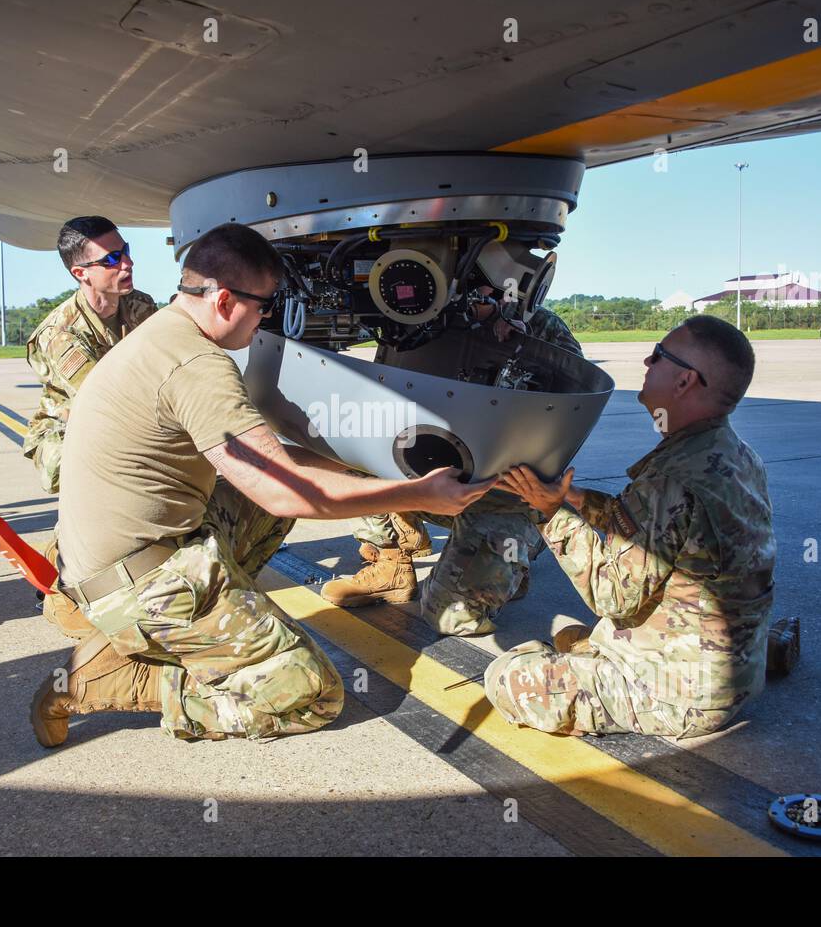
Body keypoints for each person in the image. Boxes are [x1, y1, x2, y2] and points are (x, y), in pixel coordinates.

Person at [31, 223, 494, 747]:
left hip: (132, 552)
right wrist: (418, 495)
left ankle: (208, 634)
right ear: (225, 300)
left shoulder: (164, 331)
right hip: (135, 578)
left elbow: (268, 465)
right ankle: (124, 679)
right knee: (312, 694)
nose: (266, 319)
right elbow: (289, 490)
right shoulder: (197, 364)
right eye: (264, 306)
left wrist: (368, 470)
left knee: (269, 506)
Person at [487, 314, 776, 739]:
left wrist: (550, 513)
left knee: (507, 675)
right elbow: (654, 527)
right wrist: (576, 499)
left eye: (658, 356)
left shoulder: (674, 477)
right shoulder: (730, 454)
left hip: (674, 695)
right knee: (577, 641)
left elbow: (614, 596)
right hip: (728, 674)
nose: (646, 360)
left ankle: (605, 666)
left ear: (685, 382)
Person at [322, 288, 584, 637]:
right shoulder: (420, 319)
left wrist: (526, 348)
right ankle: (390, 566)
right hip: (433, 476)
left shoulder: (538, 325)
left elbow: (574, 405)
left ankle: (510, 562)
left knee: (452, 617)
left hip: (500, 490)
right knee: (359, 451)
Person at [22, 216, 157, 638]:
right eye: (112, 259)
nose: (126, 263)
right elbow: (106, 406)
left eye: (126, 251)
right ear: (81, 273)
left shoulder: (140, 307)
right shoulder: (61, 334)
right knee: (109, 475)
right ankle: (65, 574)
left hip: (118, 421)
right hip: (64, 437)